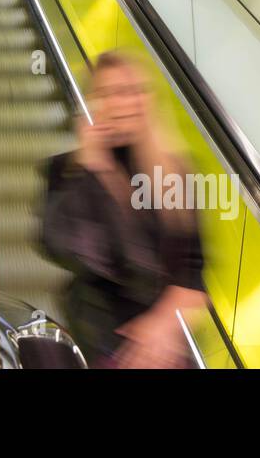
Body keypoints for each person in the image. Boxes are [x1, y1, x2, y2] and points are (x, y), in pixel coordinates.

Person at [39, 51, 205, 368]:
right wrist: (94, 168)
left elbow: (194, 271)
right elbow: (60, 245)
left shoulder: (175, 172)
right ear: (92, 102)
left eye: (133, 91)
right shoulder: (67, 170)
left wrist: (163, 325)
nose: (124, 102)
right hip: (103, 337)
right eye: (109, 93)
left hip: (166, 347)